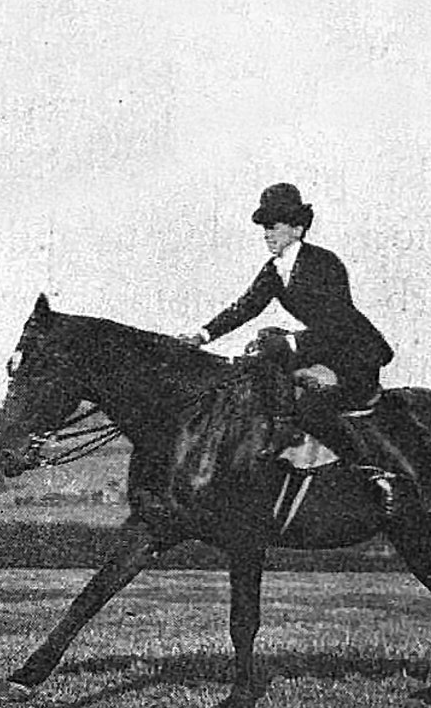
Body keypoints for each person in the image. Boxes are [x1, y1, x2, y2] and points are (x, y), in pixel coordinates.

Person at [178, 183, 418, 519]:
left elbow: (337, 322)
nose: (267, 233)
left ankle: (375, 475)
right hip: (319, 352)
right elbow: (244, 307)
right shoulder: (274, 268)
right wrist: (200, 336)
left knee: (310, 409)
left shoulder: (324, 263)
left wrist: (289, 343)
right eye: (264, 227)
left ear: (297, 228)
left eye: (274, 225)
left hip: (353, 355)